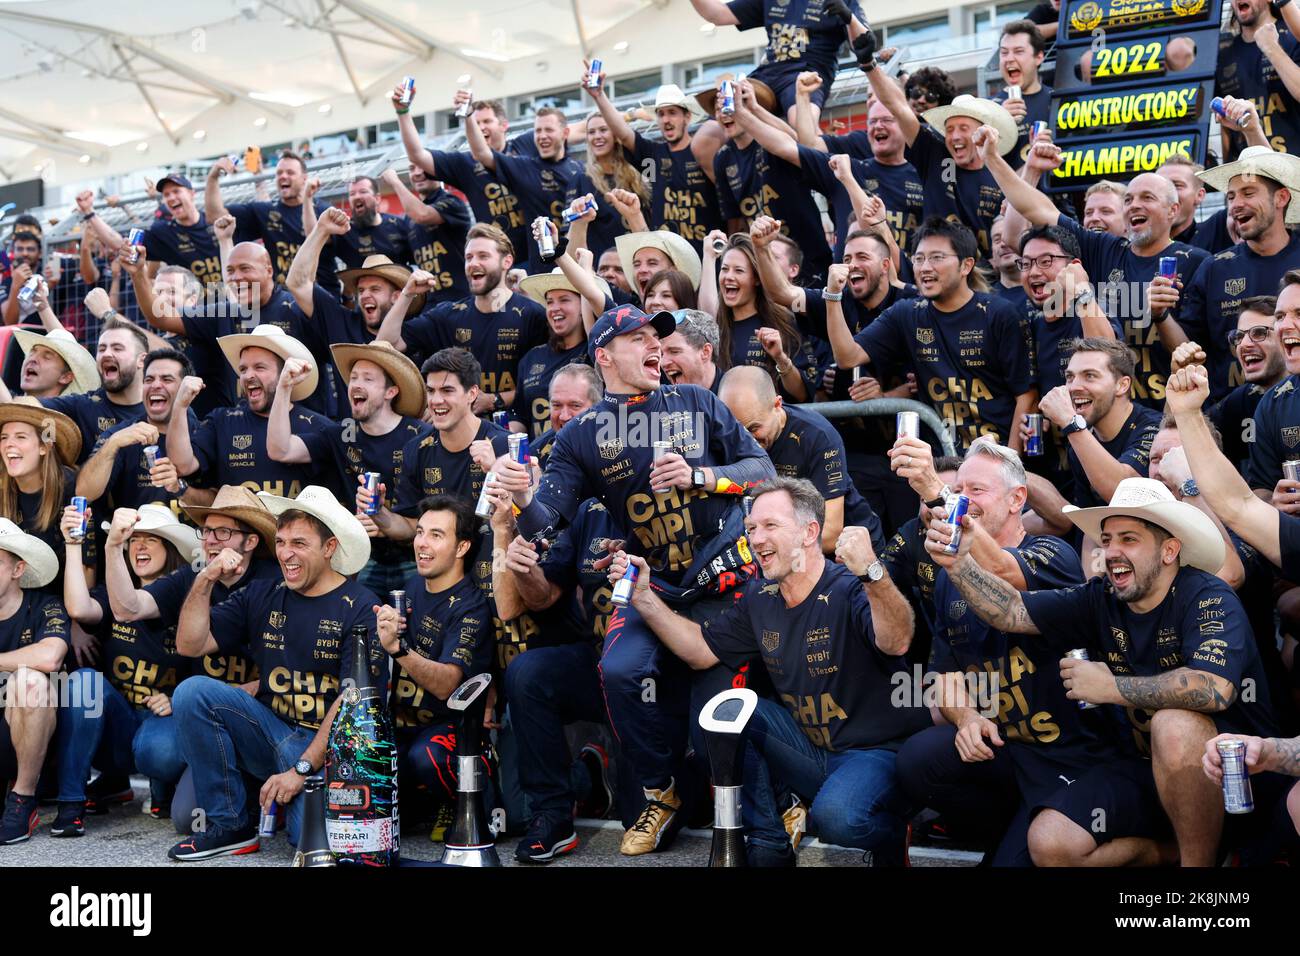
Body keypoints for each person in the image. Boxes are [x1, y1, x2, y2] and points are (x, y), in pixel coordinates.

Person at [496, 303, 775, 854]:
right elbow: (545, 523)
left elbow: (762, 470)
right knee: (620, 669)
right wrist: (522, 494)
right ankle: (659, 791)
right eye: (639, 338)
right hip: (656, 584)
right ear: (604, 356)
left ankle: (771, 809)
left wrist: (703, 476)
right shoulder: (579, 436)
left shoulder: (696, 401)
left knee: (719, 710)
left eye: (657, 336)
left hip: (724, 575)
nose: (655, 346)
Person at [933, 472, 1280, 866]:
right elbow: (1012, 611)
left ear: (1169, 551)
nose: (1112, 551)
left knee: (1175, 725)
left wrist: (1112, 687)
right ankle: (1163, 854)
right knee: (1050, 842)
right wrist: (958, 563)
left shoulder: (1206, 595)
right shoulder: (1102, 597)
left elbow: (1214, 688)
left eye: (1129, 539)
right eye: (1108, 539)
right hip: (1144, 774)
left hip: (1235, 782)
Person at [609, 476, 924, 865]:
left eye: (770, 526)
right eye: (752, 529)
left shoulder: (849, 586)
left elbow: (898, 641)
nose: (756, 540)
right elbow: (701, 650)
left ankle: (892, 836)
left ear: (810, 533)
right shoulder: (760, 596)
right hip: (809, 748)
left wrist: (873, 573)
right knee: (725, 711)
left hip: (873, 752)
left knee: (837, 819)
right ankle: (769, 843)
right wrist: (643, 597)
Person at [168, 487, 375, 860]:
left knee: (308, 842)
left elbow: (352, 705)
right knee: (192, 691)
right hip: (270, 730)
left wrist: (300, 769)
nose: (285, 554)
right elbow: (190, 645)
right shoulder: (261, 594)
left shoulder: (361, 607)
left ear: (329, 548)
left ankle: (275, 798)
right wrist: (206, 579)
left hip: (327, 749)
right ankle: (230, 826)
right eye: (280, 542)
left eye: (299, 543)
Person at [986, 126, 1207, 409]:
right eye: (1128, 199)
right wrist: (992, 158)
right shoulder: (1103, 248)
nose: (1134, 205)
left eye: (1147, 198)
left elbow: (1193, 355)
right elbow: (1035, 209)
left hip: (1169, 415)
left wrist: (1161, 317)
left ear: (1172, 211)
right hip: (1110, 415)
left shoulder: (1198, 262)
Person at [825, 217, 1037, 452]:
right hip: (940, 460)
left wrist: (1010, 460)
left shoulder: (1000, 313)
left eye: (937, 258)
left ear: (966, 265)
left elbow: (1026, 396)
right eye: (919, 258)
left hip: (995, 453)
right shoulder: (907, 313)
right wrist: (832, 296)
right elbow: (847, 357)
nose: (925, 267)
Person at [54, 504, 199, 837]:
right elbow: (78, 607)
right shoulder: (114, 594)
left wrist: (176, 698)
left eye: (151, 539)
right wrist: (73, 545)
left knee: (160, 748)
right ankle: (71, 803)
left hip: (164, 727)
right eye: (134, 539)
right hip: (118, 728)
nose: (140, 546)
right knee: (84, 683)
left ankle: (166, 786)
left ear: (172, 549)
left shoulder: (190, 597)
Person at [269, 341, 430, 596]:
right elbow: (280, 449)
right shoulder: (342, 433)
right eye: (353, 377)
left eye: (368, 379)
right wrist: (284, 387)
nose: (356, 384)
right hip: (362, 558)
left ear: (391, 392)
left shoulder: (420, 436)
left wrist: (387, 521)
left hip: (415, 556)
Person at [376, 495, 493, 832]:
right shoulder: (411, 587)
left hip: (451, 730)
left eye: (436, 535)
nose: (422, 544)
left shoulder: (471, 606)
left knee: (427, 758)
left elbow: (447, 685)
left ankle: (469, 808)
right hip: (403, 725)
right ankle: (427, 805)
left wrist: (398, 650)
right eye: (420, 532)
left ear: (462, 547)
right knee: (365, 757)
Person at [854, 29, 1014, 260]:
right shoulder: (934, 154)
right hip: (933, 271)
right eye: (949, 129)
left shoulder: (1000, 173)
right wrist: (868, 63)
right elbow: (897, 106)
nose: (955, 136)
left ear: (981, 132)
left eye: (963, 129)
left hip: (985, 280)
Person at [364, 348, 509, 576]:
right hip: (443, 583)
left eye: (447, 390)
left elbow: (528, 519)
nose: (436, 400)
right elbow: (412, 527)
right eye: (430, 391)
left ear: (472, 394)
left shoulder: (503, 445)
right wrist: (379, 513)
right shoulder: (416, 449)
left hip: (496, 575)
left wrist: (495, 471)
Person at [378, 224, 547, 414]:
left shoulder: (532, 315)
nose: (473, 263)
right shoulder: (449, 314)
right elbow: (385, 345)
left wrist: (495, 400)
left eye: (483, 256)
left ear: (506, 262)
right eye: (469, 257)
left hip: (514, 431)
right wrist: (407, 294)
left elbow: (545, 381)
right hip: (458, 434)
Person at [720, 365, 883, 554]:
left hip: (847, 549)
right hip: (778, 546)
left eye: (754, 428)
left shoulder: (818, 437)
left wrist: (767, 546)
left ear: (777, 404)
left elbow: (830, 533)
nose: (746, 441)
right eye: (737, 432)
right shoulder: (723, 437)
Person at [165, 325, 338, 500]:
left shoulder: (320, 427)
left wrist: (285, 387)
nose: (248, 376)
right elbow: (182, 466)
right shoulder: (222, 420)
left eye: (259, 367)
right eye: (243, 369)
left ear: (285, 373)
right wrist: (180, 406)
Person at [1182, 146, 1300, 401]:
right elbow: (1187, 346)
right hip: (1230, 418)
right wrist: (1159, 316)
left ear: (1281, 198)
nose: (1236, 205)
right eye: (1231, 196)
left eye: (1248, 193)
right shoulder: (1213, 268)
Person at [287, 208, 426, 417]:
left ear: (397, 296)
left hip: (405, 442)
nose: (365, 295)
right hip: (350, 440)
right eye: (361, 290)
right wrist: (321, 229)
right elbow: (297, 283)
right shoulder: (341, 320)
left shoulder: (415, 330)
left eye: (375, 289)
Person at [709, 78, 832, 282]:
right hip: (766, 262)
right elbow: (735, 222)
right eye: (718, 108)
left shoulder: (769, 140)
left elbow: (798, 144)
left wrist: (754, 109)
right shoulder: (722, 158)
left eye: (728, 104)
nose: (725, 113)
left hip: (808, 252)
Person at [792, 80, 925, 260]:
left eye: (878, 93)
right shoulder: (857, 144)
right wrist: (802, 96)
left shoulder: (922, 151)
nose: (872, 100)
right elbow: (809, 144)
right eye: (868, 96)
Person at [587, 80, 722, 253]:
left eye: (672, 113)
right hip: (667, 258)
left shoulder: (703, 151)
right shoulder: (652, 154)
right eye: (661, 114)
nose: (666, 119)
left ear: (687, 117)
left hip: (707, 255)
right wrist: (599, 95)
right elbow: (622, 132)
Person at [688, 0, 870, 123]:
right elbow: (717, 15)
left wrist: (849, 18)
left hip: (807, 74)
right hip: (767, 74)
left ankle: (822, 170)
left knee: (802, 122)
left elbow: (864, 45)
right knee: (711, 130)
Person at [0, 519, 68, 845]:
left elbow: (52, 656)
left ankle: (22, 800)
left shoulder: (45, 605)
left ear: (17, 570)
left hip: (31, 740)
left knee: (30, 681)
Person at [398, 92, 529, 260]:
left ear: (504, 125)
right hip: (499, 263)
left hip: (538, 256)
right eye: (476, 122)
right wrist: (402, 112)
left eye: (487, 121)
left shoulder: (525, 147)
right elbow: (417, 155)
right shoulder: (466, 163)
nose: (481, 127)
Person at [76, 348, 205, 517]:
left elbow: (216, 503)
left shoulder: (204, 431)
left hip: (193, 541)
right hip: (135, 540)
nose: (156, 385)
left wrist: (180, 488)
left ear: (186, 388)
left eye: (167, 379)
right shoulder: (121, 434)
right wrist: (112, 444)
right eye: (149, 379)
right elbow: (84, 494)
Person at [463, 104, 586, 270]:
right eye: (537, 131)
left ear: (565, 133)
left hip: (580, 264)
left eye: (548, 130)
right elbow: (482, 154)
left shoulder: (580, 170)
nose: (542, 136)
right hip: (543, 270)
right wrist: (468, 115)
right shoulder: (524, 168)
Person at [1171, 296, 1286, 473]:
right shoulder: (1241, 401)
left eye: (1259, 333)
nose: (1245, 345)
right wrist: (1181, 386)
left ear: (1285, 337)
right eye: (1239, 336)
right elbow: (1174, 441)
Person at [709, 232, 816, 400]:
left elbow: (803, 394)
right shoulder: (714, 329)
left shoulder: (784, 323)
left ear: (757, 279)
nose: (729, 276)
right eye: (724, 269)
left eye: (739, 270)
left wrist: (780, 358)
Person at [204, 151, 331, 287]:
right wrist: (213, 176)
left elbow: (316, 239)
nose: (283, 176)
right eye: (279, 173)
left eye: (290, 172)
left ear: (304, 179)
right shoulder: (266, 210)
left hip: (319, 293)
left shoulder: (321, 209)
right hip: (283, 298)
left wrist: (307, 197)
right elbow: (215, 216)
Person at [76, 174, 222, 291]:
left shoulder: (217, 220)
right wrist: (89, 212)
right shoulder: (163, 231)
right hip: (198, 310)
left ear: (191, 194)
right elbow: (120, 243)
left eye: (176, 191)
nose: (171, 198)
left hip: (234, 299)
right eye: (166, 194)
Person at [0, 403, 85, 586]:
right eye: (3, 437)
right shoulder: (1, 490)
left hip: (64, 597)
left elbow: (88, 568)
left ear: (44, 447)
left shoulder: (72, 488)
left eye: (21, 437)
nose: (8, 444)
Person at [38, 319, 146, 464]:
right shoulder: (82, 405)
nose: (107, 354)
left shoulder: (162, 409)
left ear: (141, 360)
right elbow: (25, 407)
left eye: (117, 348)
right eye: (101, 349)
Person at [512, 269, 604, 436]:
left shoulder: (596, 353)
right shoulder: (531, 357)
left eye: (564, 300)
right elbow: (520, 417)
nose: (554, 308)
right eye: (549, 302)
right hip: (539, 458)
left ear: (583, 306)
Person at [1215, 0, 1300, 160]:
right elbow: (1224, 125)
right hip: (1250, 171)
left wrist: (1271, 47)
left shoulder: (1293, 35)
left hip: (1295, 167)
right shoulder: (1225, 56)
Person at [1244, 270, 1300, 507]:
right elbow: (1260, 490)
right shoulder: (1273, 403)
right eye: (1279, 316)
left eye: (1299, 314)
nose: (1284, 326)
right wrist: (1274, 503)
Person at [382, 165, 471, 305]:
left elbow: (422, 215)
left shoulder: (453, 203)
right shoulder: (407, 220)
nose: (417, 173)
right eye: (411, 169)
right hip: (430, 306)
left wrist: (395, 182)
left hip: (462, 300)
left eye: (423, 167)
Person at [990, 21, 1053, 169]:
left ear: (1038, 57)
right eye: (1004, 52)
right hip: (1006, 191)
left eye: (1018, 51)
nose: (1009, 59)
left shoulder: (1057, 100)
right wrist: (999, 122)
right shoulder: (988, 108)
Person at [329, 175, 411, 270]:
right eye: (352, 194)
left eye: (363, 191)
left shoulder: (398, 225)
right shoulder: (344, 230)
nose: (357, 197)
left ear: (377, 198)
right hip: (360, 284)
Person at [614, 231, 703, 304]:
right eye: (636, 264)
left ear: (674, 271)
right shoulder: (626, 312)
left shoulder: (693, 321)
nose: (642, 270)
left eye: (652, 263)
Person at [10, 328, 98, 400]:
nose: (33, 359)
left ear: (65, 377)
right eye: (32, 353)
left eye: (47, 357)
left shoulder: (68, 420)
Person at [660, 310, 722, 392]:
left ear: (705, 352)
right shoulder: (658, 395)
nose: (663, 363)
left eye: (674, 351)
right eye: (661, 354)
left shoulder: (734, 395)